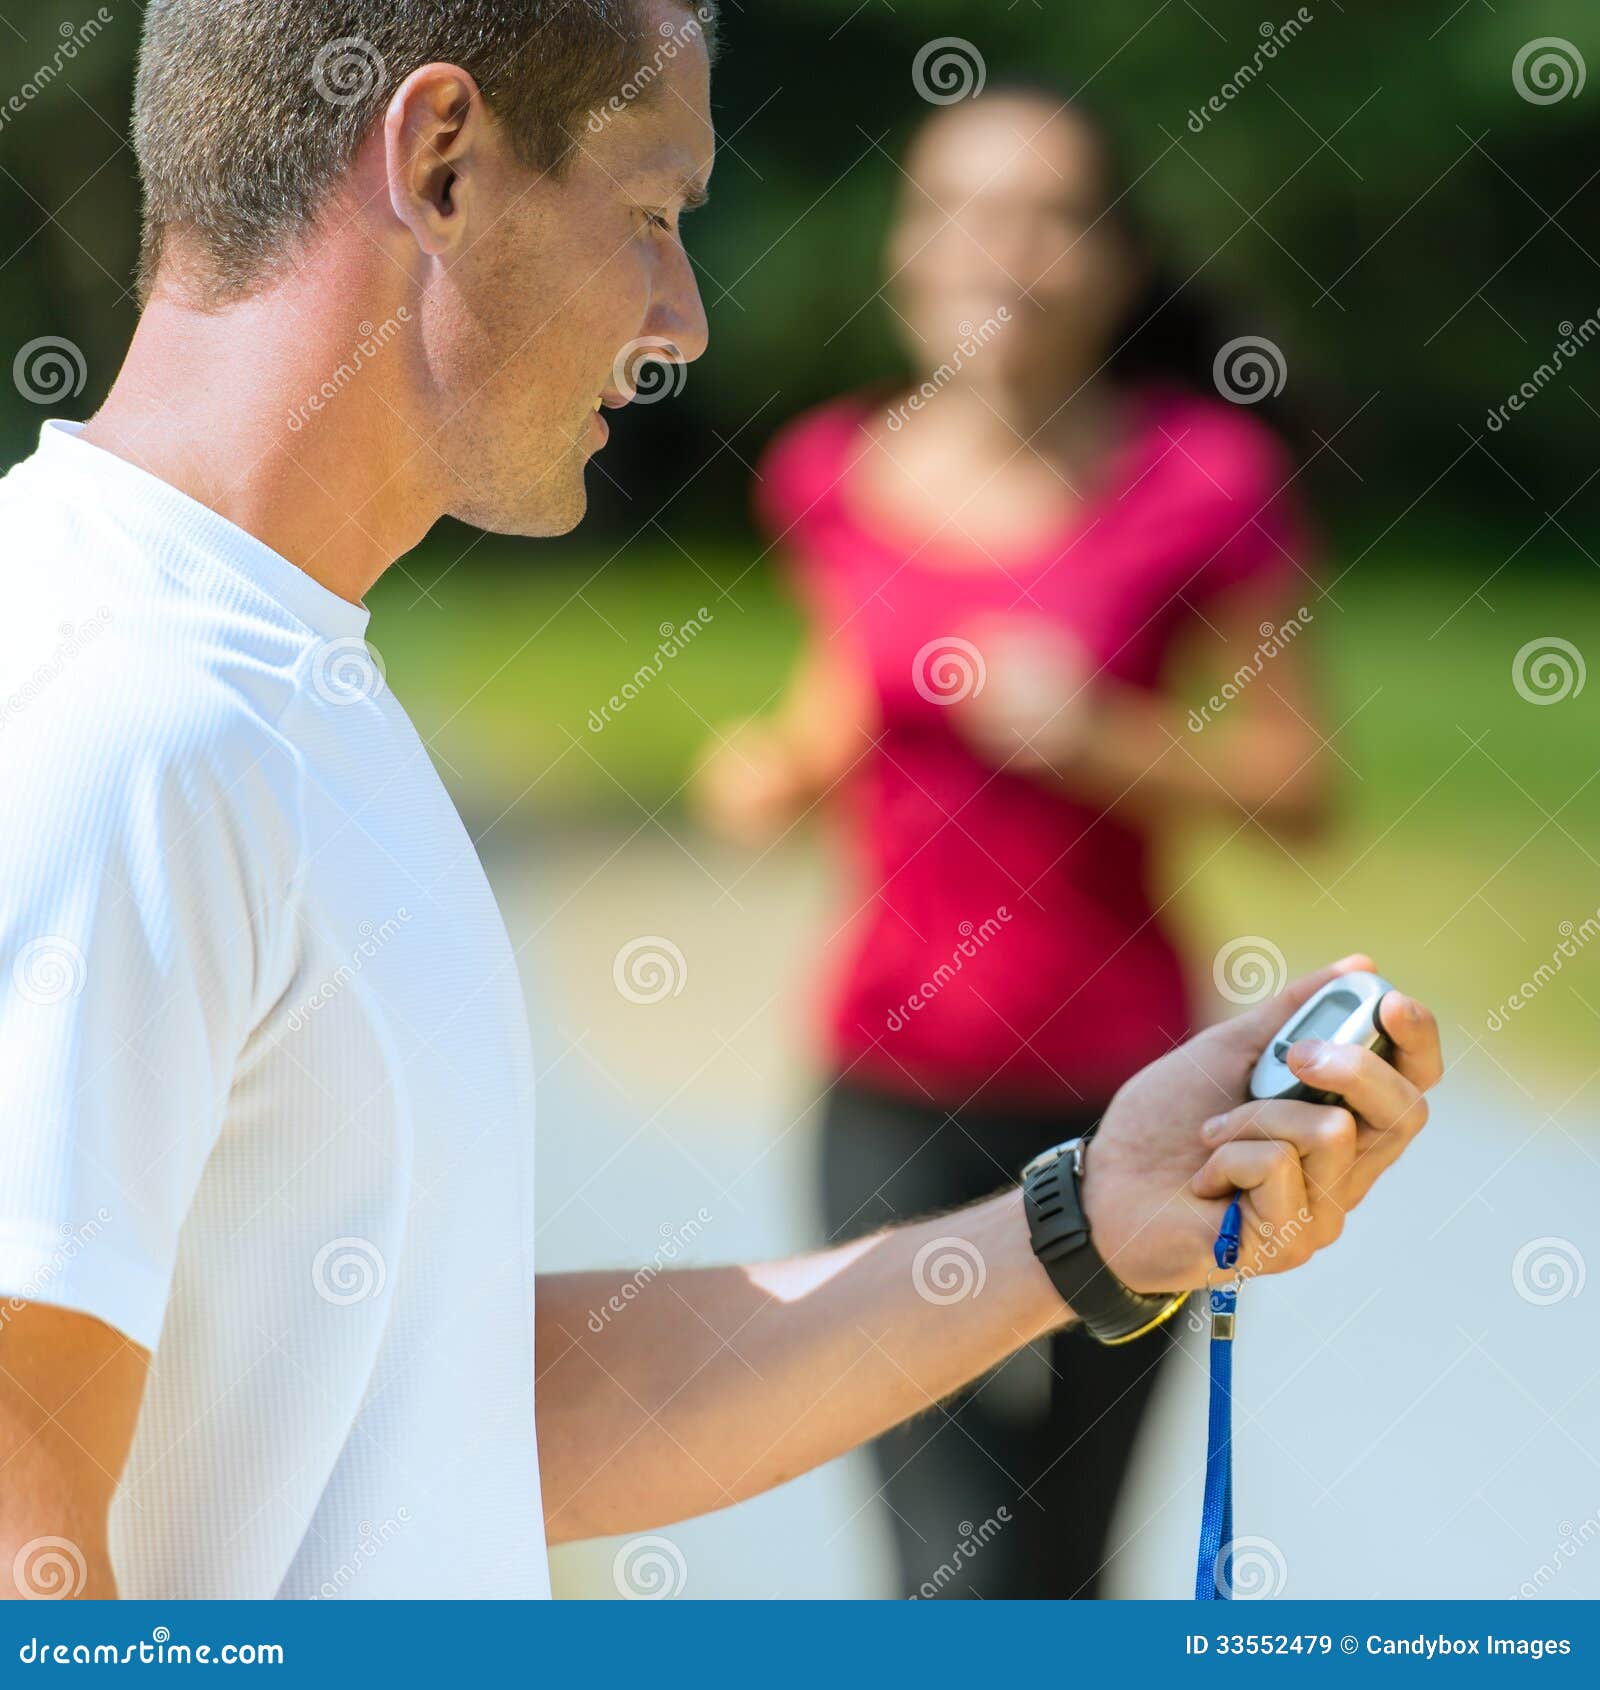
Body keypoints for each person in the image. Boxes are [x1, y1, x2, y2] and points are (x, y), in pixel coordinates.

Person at [0, 0, 1438, 1603]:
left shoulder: (277, 686)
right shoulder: (118, 718)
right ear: (443, 163)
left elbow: (440, 1415)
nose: (682, 315)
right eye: (654, 215)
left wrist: (1087, 1218)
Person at [693, 86, 1330, 1598]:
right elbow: (826, 716)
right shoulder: (834, 474)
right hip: (886, 1088)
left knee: (1068, 1562)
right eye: (960, 210)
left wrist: (1099, 734)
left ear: (1113, 260)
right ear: (908, 252)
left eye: (1046, 214)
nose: (1001, 250)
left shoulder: (1208, 481)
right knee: (941, 1569)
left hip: (1134, 1090)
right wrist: (766, 775)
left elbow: (1303, 785)